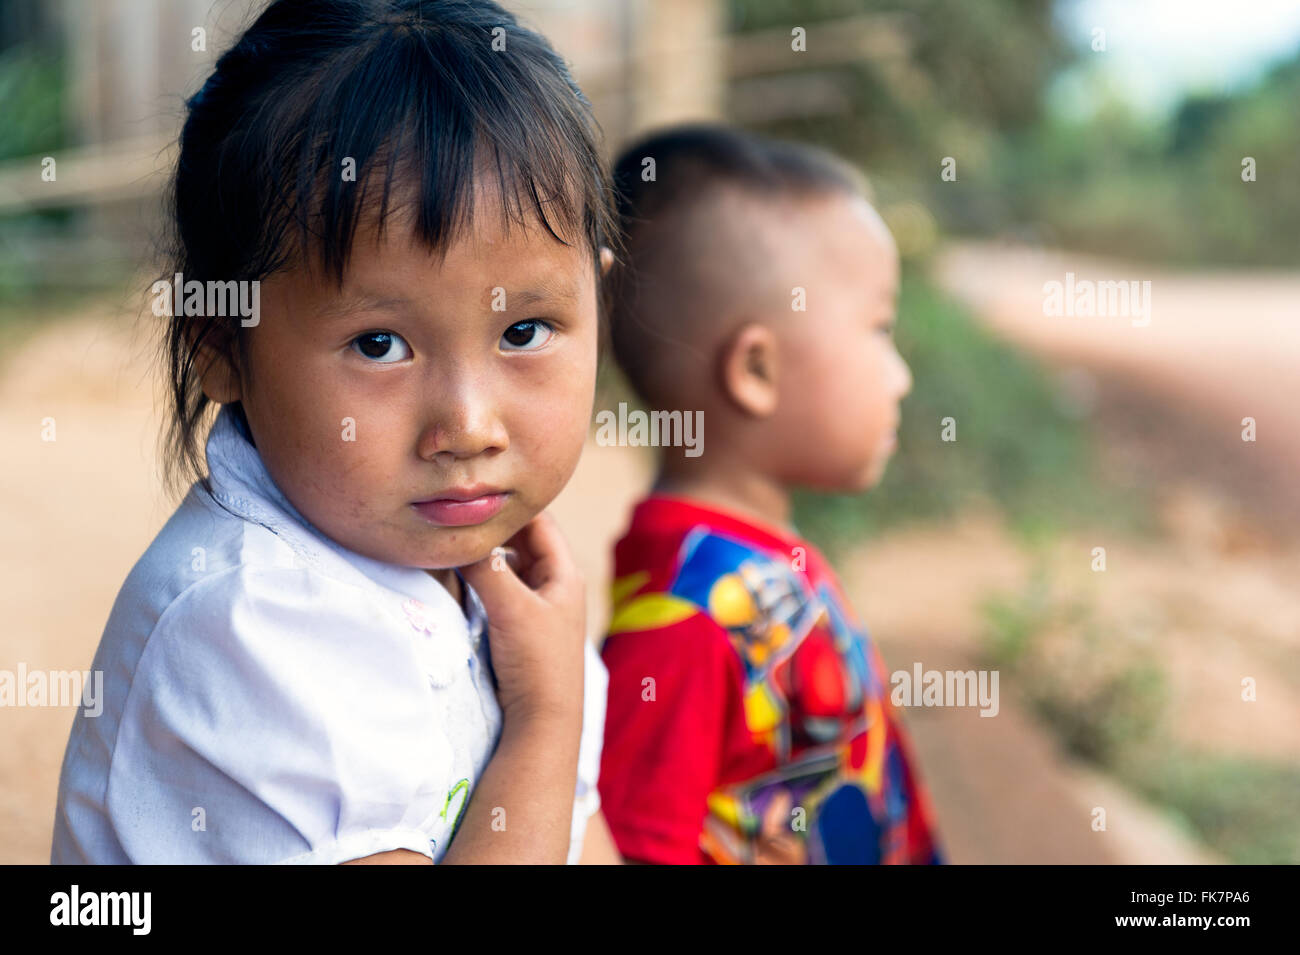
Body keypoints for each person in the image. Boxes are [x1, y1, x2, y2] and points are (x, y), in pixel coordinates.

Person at [51, 0, 621, 865]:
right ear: (220, 348)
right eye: (379, 344)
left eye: (524, 331)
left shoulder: (496, 573)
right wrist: (547, 722)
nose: (468, 425)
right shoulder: (248, 627)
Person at [597, 124, 944, 864]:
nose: (900, 375)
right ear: (756, 369)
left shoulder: (755, 554)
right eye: (879, 329)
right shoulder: (684, 619)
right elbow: (635, 845)